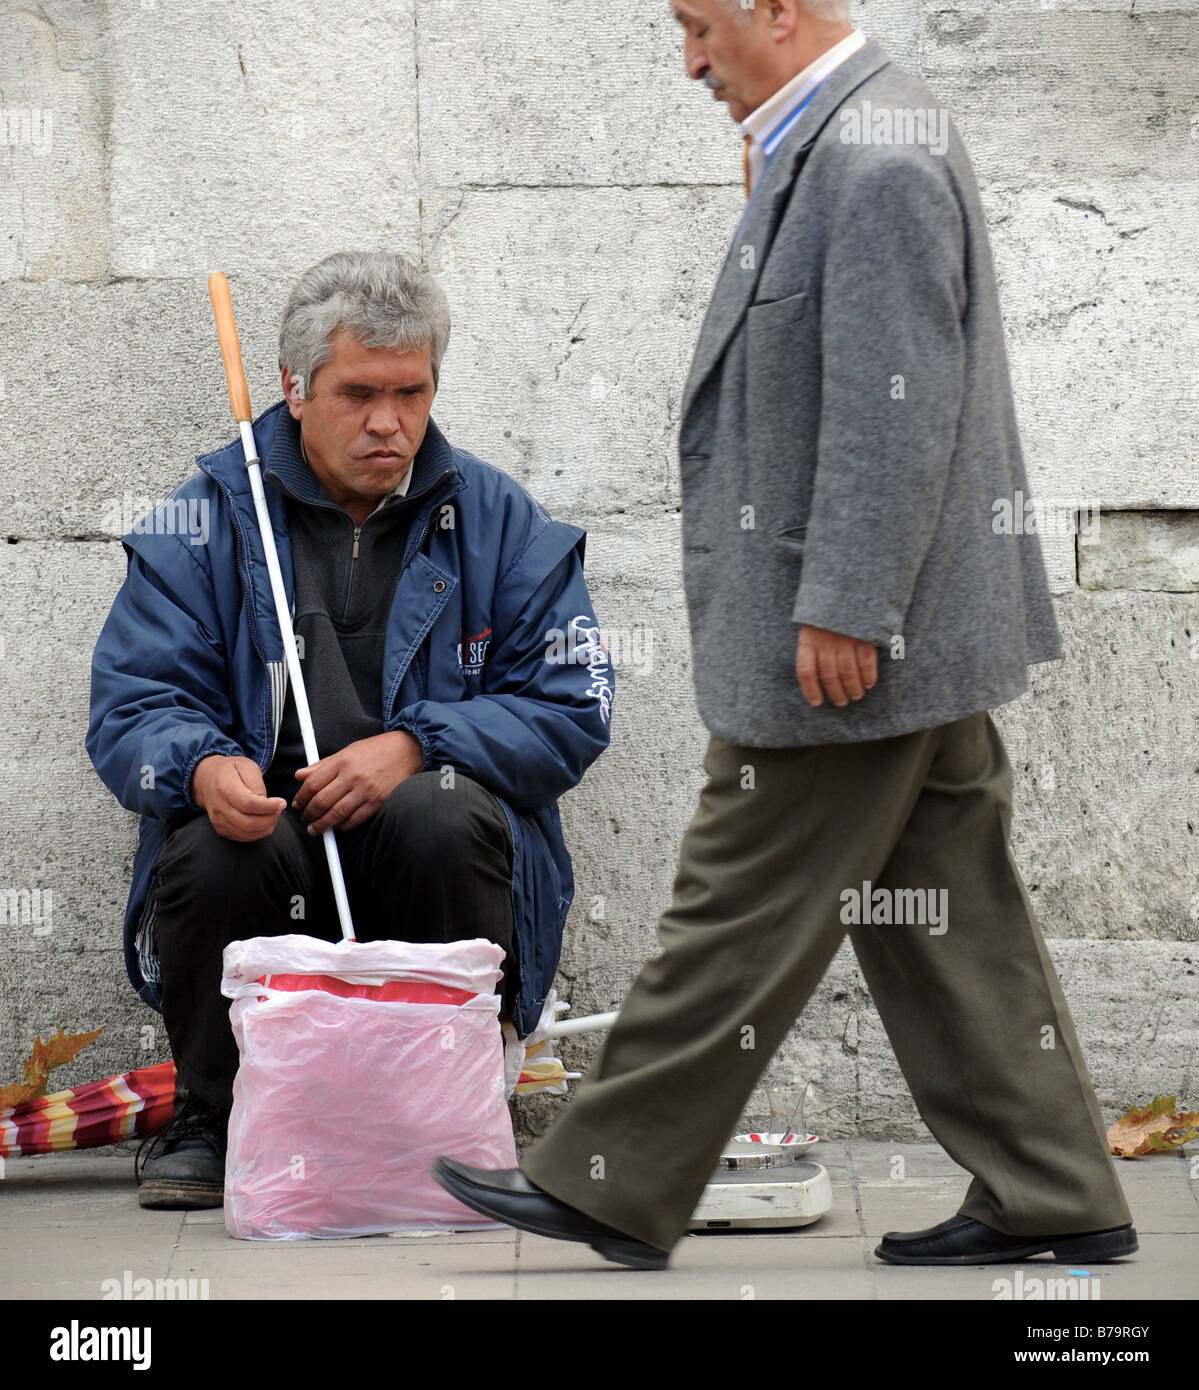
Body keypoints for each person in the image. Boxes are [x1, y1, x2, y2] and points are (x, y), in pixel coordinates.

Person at [431, 0, 1137, 1271]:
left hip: (859, 634)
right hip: (907, 630)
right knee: (944, 915)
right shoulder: (836, 137)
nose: (690, 61)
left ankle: (605, 1177)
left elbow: (893, 406)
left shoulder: (870, 154)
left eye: (700, 26)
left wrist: (843, 602)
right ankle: (1050, 1188)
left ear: (776, 7)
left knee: (735, 894)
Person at [86, 250, 614, 1209]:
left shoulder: (498, 522)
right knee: (215, 850)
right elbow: (130, 706)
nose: (389, 423)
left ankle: (436, 1109)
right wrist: (203, 768)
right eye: (358, 394)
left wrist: (416, 745)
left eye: (411, 393)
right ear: (294, 389)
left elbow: (569, 706)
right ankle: (220, 1110)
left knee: (440, 815)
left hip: (422, 846)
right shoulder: (210, 517)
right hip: (275, 848)